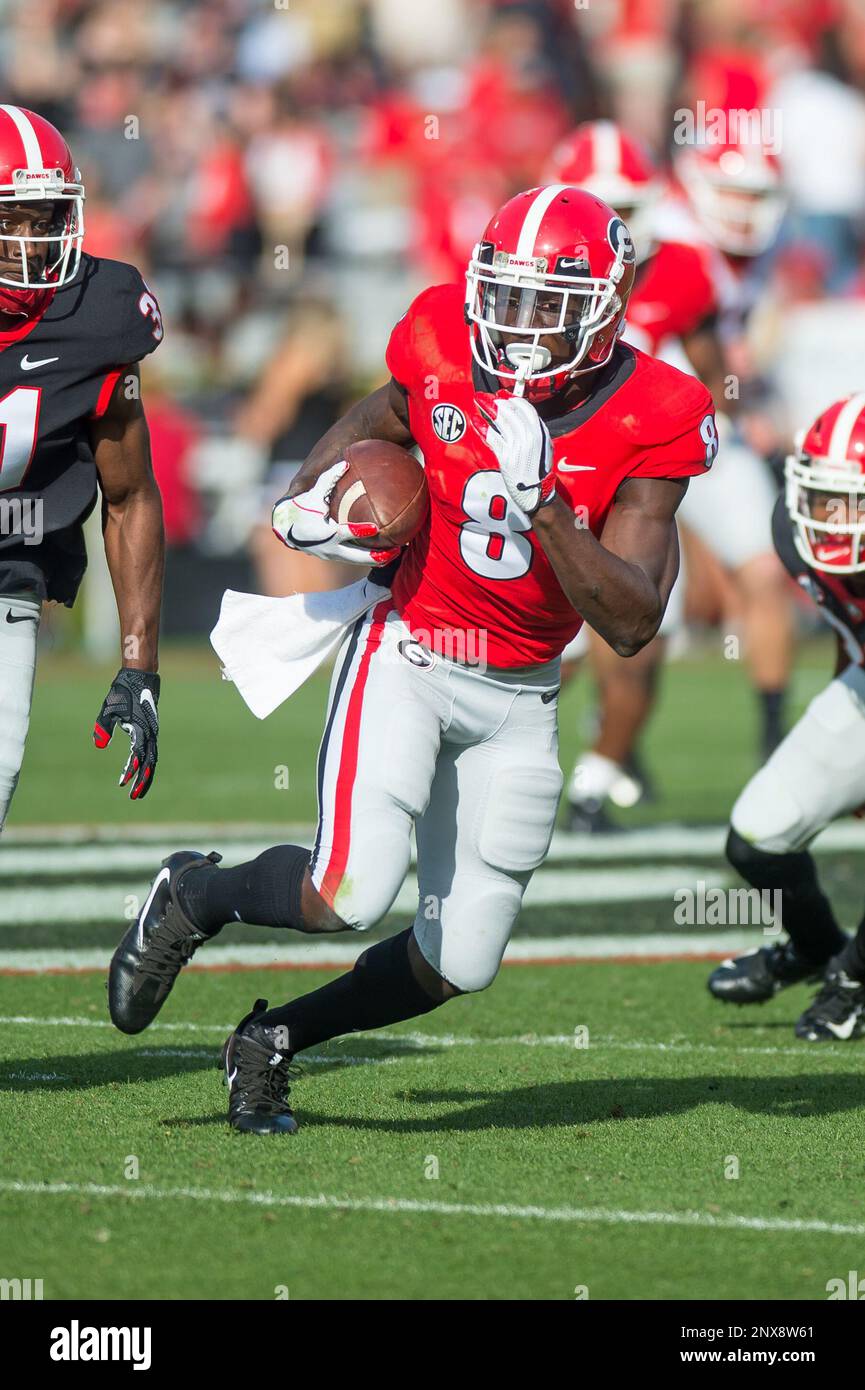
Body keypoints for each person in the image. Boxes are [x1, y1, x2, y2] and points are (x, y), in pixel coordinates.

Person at [108, 185, 716, 1134]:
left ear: (602, 311)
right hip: (411, 649)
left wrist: (547, 505)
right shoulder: (439, 338)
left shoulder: (657, 410)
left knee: (459, 960)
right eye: (502, 297)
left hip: (521, 693)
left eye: (543, 308)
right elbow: (385, 414)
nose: (513, 329)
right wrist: (308, 493)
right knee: (347, 892)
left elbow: (633, 621)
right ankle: (194, 893)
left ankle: (270, 1042)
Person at [547, 125, 794, 829]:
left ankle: (600, 777)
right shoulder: (539, 262)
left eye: (624, 204)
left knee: (645, 617)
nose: (612, 220)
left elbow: (711, 360)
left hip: (675, 447)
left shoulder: (681, 266)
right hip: (578, 454)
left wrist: (735, 412)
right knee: (558, 634)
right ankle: (511, 746)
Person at [0, 105, 165, 829]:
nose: (32, 245)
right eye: (14, 222)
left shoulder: (99, 312)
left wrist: (139, 665)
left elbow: (128, 495)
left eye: (46, 219)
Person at [708, 394, 865, 1041]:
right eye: (826, 498)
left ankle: (853, 980)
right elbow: (846, 629)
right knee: (758, 836)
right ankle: (816, 948)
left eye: (854, 504)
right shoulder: (796, 535)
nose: (833, 521)